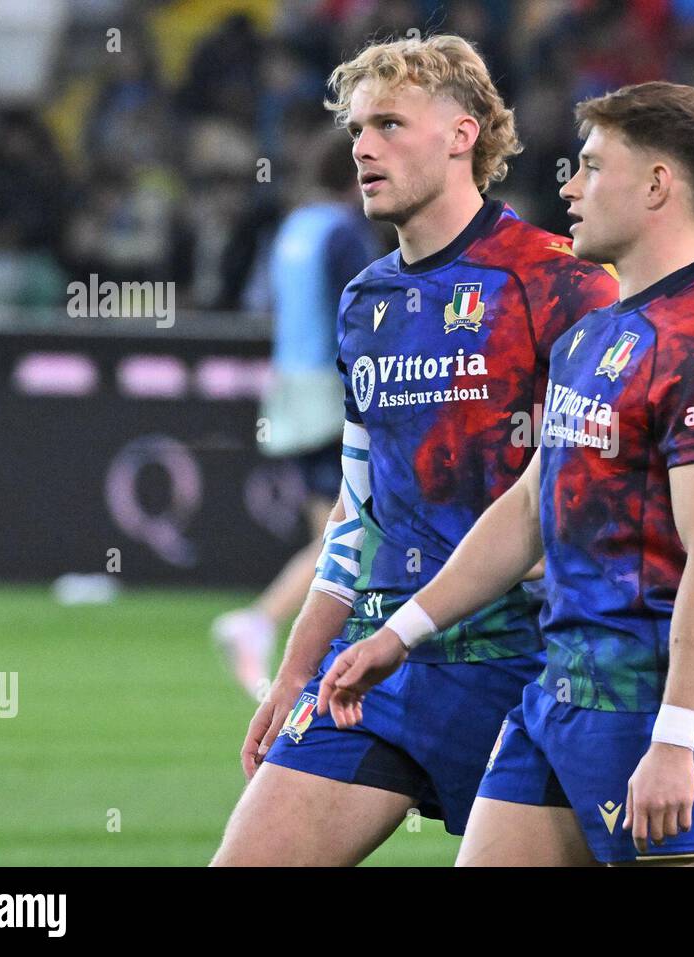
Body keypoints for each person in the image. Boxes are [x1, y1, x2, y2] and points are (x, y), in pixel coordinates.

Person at [318, 82, 694, 866]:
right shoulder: (591, 337)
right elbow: (527, 508)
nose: (569, 186)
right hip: (557, 695)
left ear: (657, 185)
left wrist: (675, 740)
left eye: (591, 168)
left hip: (651, 706)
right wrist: (400, 632)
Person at [210, 34, 616, 865]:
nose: (362, 146)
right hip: (380, 665)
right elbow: (356, 514)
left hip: (533, 669)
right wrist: (295, 670)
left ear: (464, 133)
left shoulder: (563, 281)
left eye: (389, 123)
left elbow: (601, 492)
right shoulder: (366, 301)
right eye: (357, 128)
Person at [211, 131, 379, 699]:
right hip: (332, 393)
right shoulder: (344, 232)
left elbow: (267, 303)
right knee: (345, 531)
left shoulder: (295, 228)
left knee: (329, 527)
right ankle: (262, 620)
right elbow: (361, 313)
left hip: (289, 386)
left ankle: (291, 631)